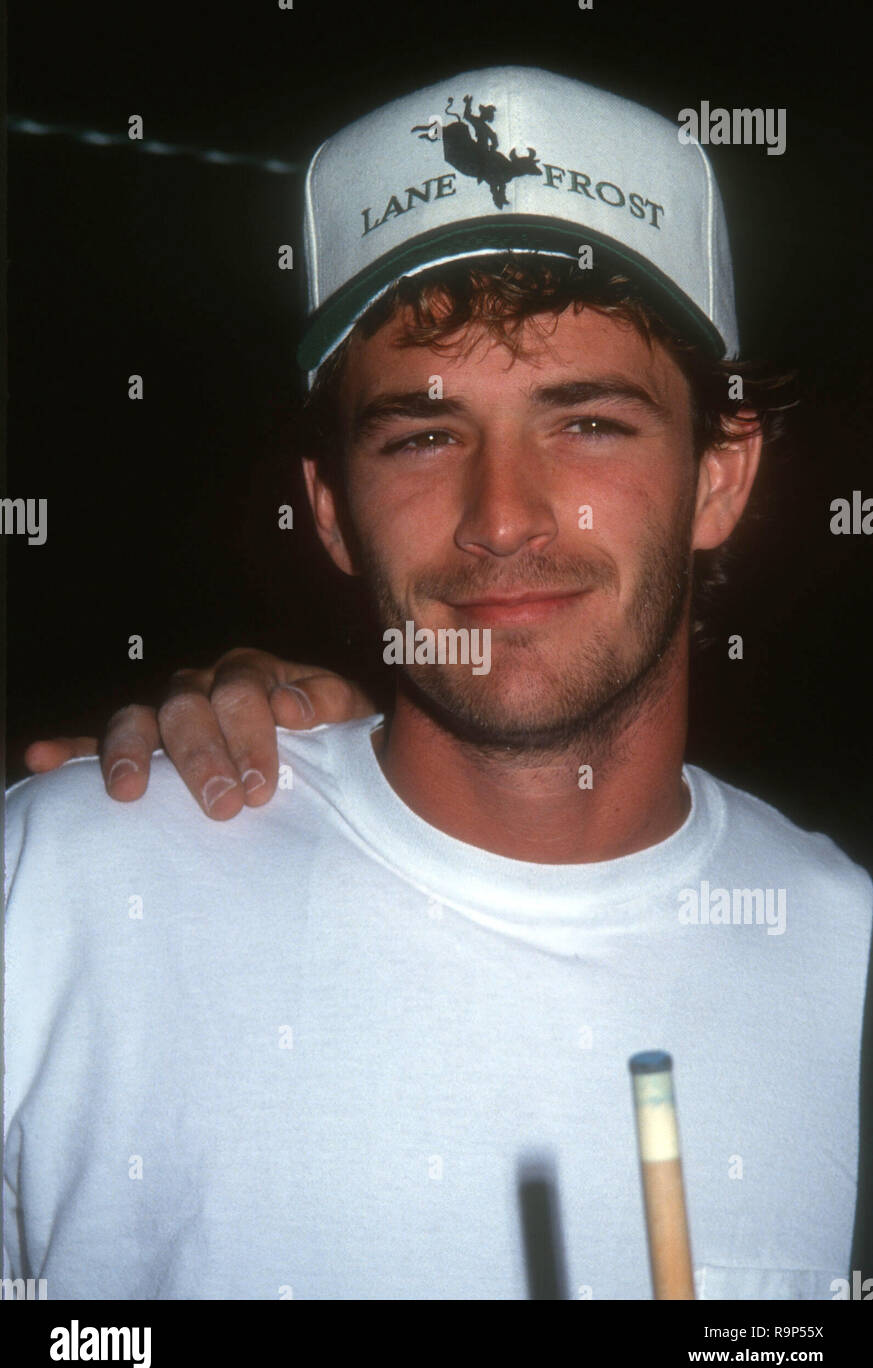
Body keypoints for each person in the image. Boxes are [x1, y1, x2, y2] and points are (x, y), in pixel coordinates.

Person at [5, 66, 871, 1301]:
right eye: (422, 434)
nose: (503, 519)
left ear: (720, 480)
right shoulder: (67, 884)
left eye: (588, 422)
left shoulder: (849, 969)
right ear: (332, 510)